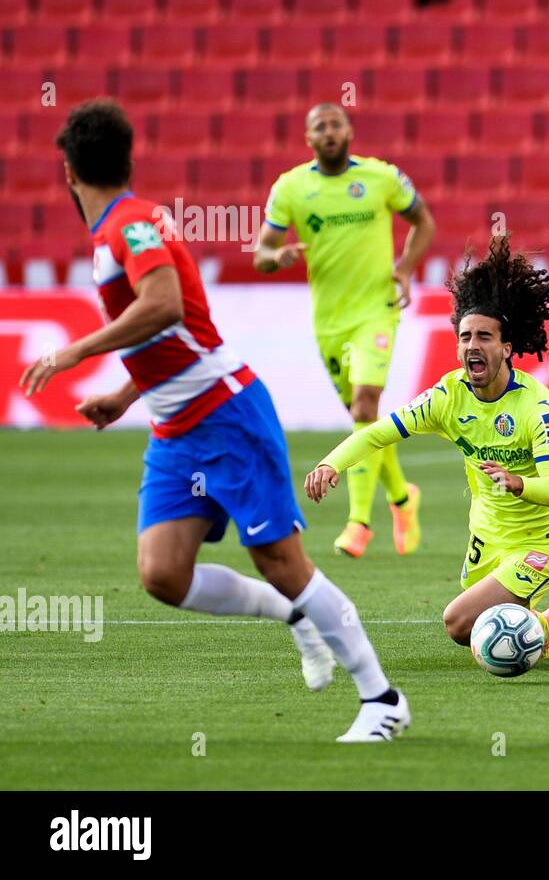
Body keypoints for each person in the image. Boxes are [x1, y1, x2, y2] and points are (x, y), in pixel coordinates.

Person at [20, 99, 408, 742]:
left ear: (68, 172)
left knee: (281, 560)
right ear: (128, 158)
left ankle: (382, 698)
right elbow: (177, 331)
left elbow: (166, 304)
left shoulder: (133, 225)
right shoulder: (125, 226)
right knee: (163, 573)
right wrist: (125, 392)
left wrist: (75, 350)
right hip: (175, 428)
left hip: (226, 416)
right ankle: (295, 616)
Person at [305, 234, 549, 656]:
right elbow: (378, 432)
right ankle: (544, 622)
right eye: (465, 336)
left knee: (458, 622)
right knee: (473, 630)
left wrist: (517, 482)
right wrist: (331, 464)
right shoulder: (446, 398)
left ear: (507, 348)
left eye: (485, 336)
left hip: (547, 540)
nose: (473, 345)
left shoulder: (537, 408)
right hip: (489, 537)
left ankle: (539, 627)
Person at [253, 104, 435, 559]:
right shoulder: (291, 188)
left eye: (336, 124)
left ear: (350, 130)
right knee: (365, 421)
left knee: (364, 403)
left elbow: (424, 221)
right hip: (329, 322)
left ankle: (358, 523)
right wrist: (277, 259)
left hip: (377, 309)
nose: (329, 132)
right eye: (320, 127)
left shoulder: (381, 178)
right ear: (308, 138)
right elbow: (261, 251)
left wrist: (406, 269)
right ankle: (401, 497)